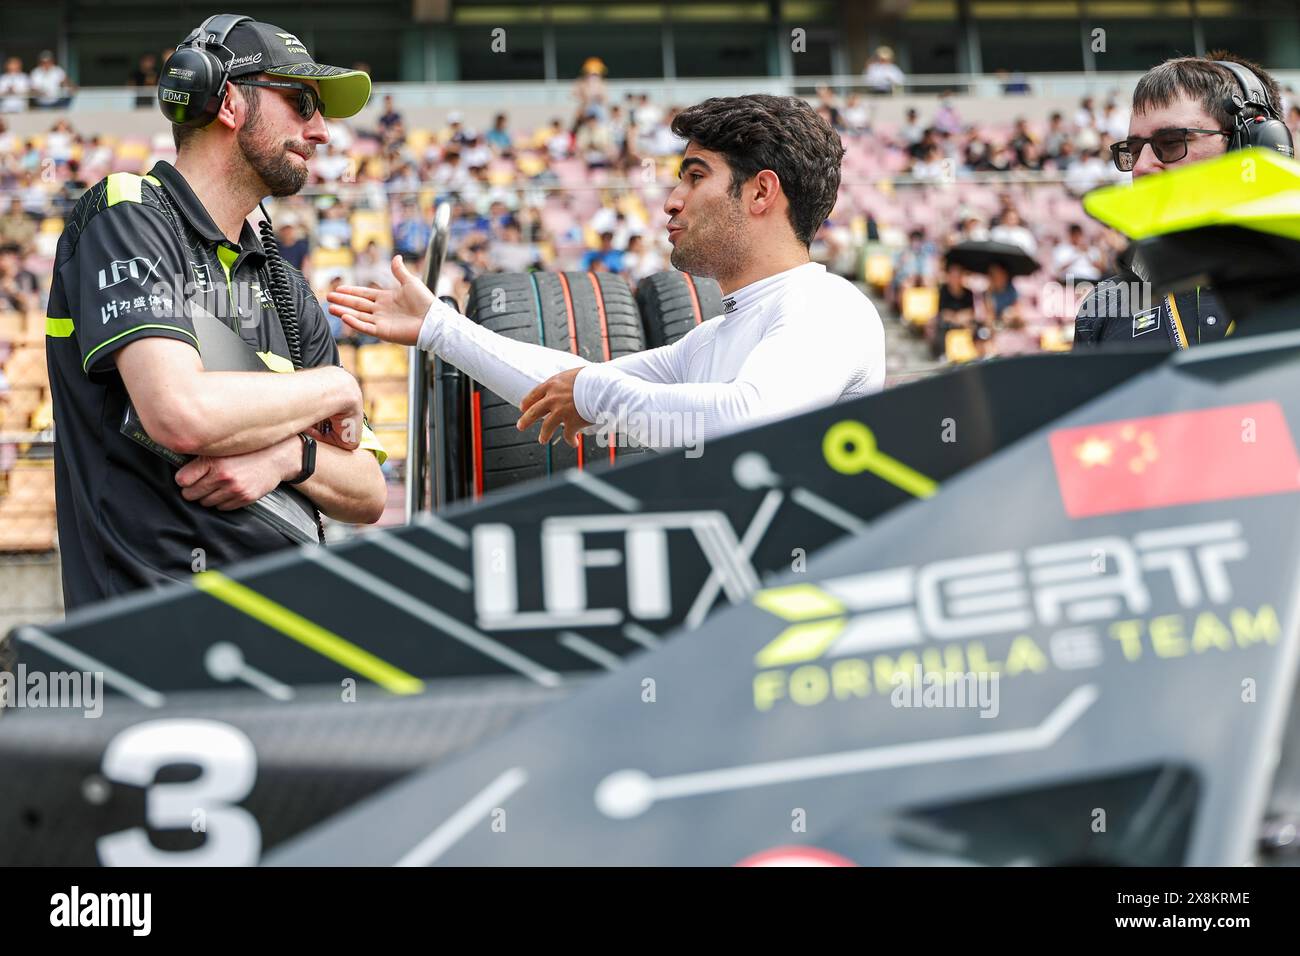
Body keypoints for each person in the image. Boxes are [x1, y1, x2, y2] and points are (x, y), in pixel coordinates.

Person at [44, 15, 387, 609]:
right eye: (302, 102)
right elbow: (180, 412)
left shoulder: (287, 284)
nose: (323, 131)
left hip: (292, 632)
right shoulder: (126, 213)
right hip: (150, 638)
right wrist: (333, 386)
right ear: (227, 102)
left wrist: (290, 456)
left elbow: (368, 490)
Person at [329, 94, 885, 450]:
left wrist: (594, 392)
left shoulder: (828, 307)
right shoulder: (711, 339)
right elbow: (565, 386)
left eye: (694, 177)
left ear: (761, 191)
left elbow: (750, 417)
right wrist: (439, 328)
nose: (671, 201)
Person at [1075, 51, 1293, 349]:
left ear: (1251, 147)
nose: (1141, 167)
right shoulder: (1104, 308)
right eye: (1135, 149)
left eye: (1171, 142)